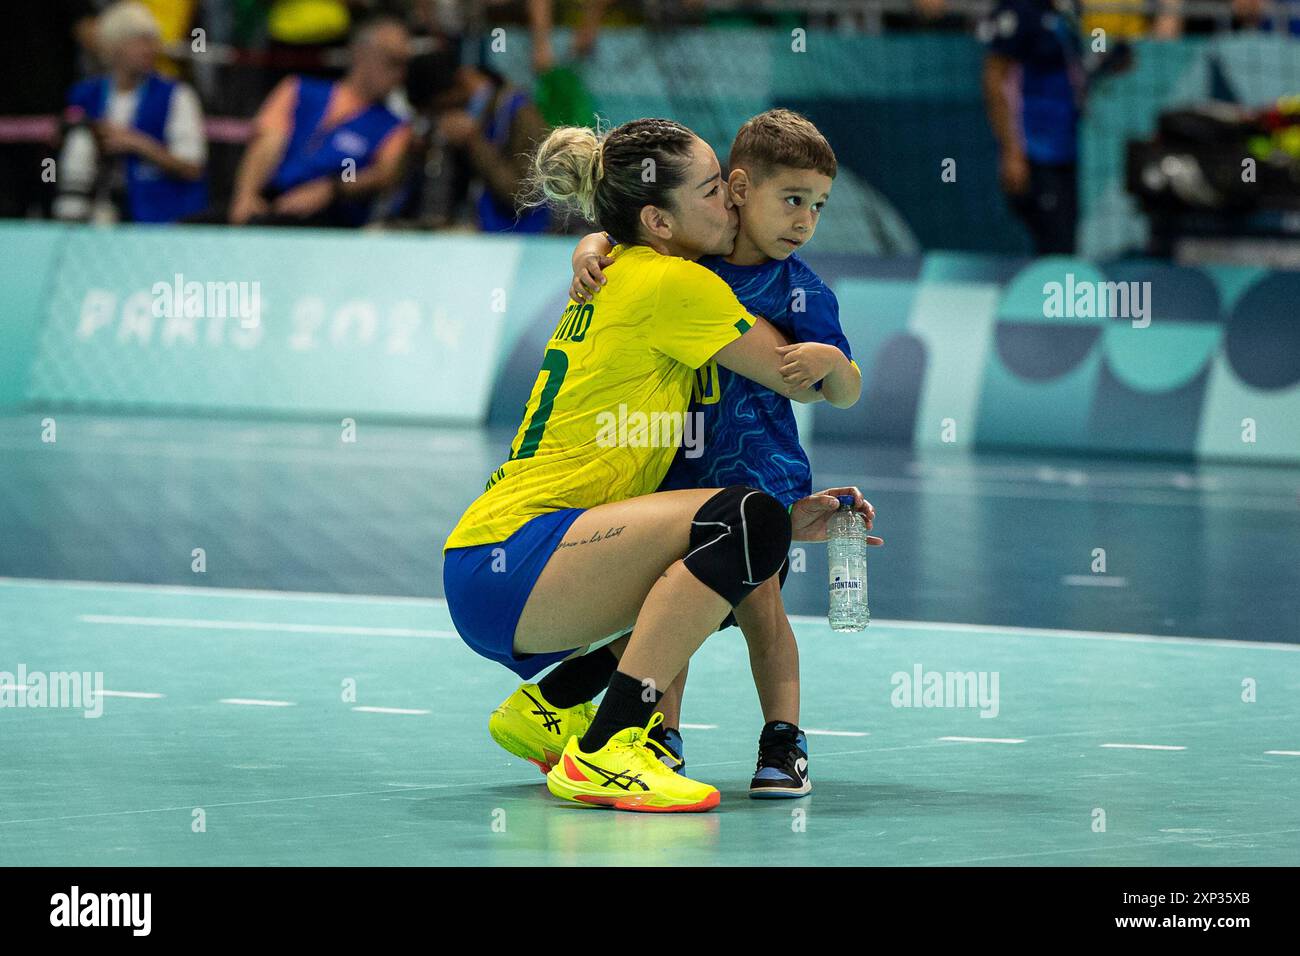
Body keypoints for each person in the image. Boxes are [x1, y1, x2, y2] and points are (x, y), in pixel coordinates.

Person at [442, 116, 877, 812]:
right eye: (714, 192)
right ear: (659, 221)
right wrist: (833, 360)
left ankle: (555, 707)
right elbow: (805, 379)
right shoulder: (680, 286)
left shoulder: (622, 265)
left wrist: (790, 523)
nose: (731, 204)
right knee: (745, 522)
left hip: (506, 564)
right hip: (521, 556)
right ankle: (607, 749)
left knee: (737, 557)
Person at [565, 108, 868, 798]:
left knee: (764, 615)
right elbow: (622, 232)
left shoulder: (801, 290)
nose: (804, 221)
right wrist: (588, 252)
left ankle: (783, 741)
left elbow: (843, 391)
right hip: (678, 474)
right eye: (792, 200)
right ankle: (657, 734)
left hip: (758, 477)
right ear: (737, 190)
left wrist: (833, 364)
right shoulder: (690, 257)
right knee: (664, 616)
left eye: (818, 206)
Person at [225, 17, 412, 227]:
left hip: (331, 219)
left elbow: (385, 173)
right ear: (361, 53)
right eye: (392, 61)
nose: (400, 74)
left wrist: (331, 189)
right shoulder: (299, 89)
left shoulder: (393, 125)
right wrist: (246, 195)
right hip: (272, 204)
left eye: (405, 65)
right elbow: (267, 142)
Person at [55, 1, 208, 224]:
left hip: (164, 217)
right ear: (113, 46)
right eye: (140, 41)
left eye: (153, 40)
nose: (151, 48)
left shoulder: (177, 94)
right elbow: (58, 150)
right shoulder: (84, 95)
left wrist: (135, 143)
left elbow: (193, 167)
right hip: (93, 210)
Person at [980, 0, 1084, 255]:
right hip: (1034, 153)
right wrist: (1012, 151)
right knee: (1051, 245)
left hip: (1065, 150)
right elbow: (994, 80)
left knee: (1064, 246)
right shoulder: (1018, 12)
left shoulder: (1065, 14)